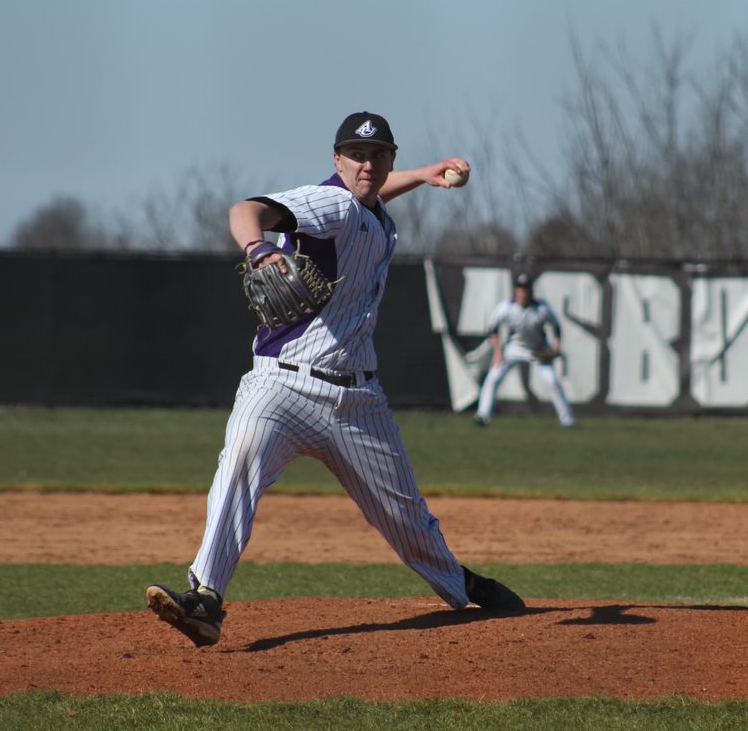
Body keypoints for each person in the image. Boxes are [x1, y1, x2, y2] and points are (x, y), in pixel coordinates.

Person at [146, 111, 525, 647]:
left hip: (358, 401)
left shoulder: (368, 208)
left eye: (378, 156)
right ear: (336, 160)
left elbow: (370, 193)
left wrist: (422, 175)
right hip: (282, 386)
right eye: (356, 155)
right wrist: (257, 247)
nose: (367, 165)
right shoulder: (330, 203)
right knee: (239, 463)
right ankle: (205, 597)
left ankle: (458, 583)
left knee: (404, 515)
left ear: (389, 159)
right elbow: (246, 210)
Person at [473, 273, 576, 428]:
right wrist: (498, 353)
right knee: (493, 377)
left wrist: (556, 346)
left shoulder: (541, 308)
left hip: (537, 349)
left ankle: (568, 420)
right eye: (520, 289)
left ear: (531, 291)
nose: (523, 292)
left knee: (552, 381)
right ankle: (482, 415)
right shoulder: (506, 307)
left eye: (526, 289)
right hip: (513, 348)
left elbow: (556, 326)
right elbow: (492, 329)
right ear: (516, 290)